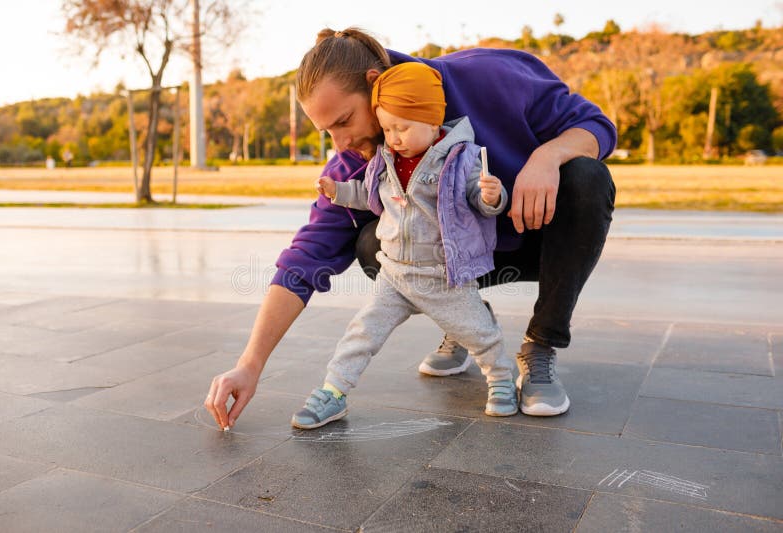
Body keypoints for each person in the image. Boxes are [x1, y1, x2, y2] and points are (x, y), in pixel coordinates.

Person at [204, 27, 616, 429]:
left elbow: (596, 125)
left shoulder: (488, 77)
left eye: (344, 120)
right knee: (371, 243)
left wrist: (547, 158)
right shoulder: (354, 159)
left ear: (374, 83)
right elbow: (304, 259)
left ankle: (540, 346)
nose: (340, 142)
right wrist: (249, 365)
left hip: (536, 236)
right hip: (453, 268)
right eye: (327, 131)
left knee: (587, 179)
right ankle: (464, 320)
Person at [291, 62, 516, 429]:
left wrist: (493, 196)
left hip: (443, 276)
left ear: (431, 119)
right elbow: (368, 193)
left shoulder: (463, 159)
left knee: (479, 334)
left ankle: (501, 380)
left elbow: (481, 200)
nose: (393, 137)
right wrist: (341, 192)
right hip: (394, 275)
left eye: (402, 127)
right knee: (361, 333)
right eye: (387, 128)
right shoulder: (386, 159)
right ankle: (333, 391)